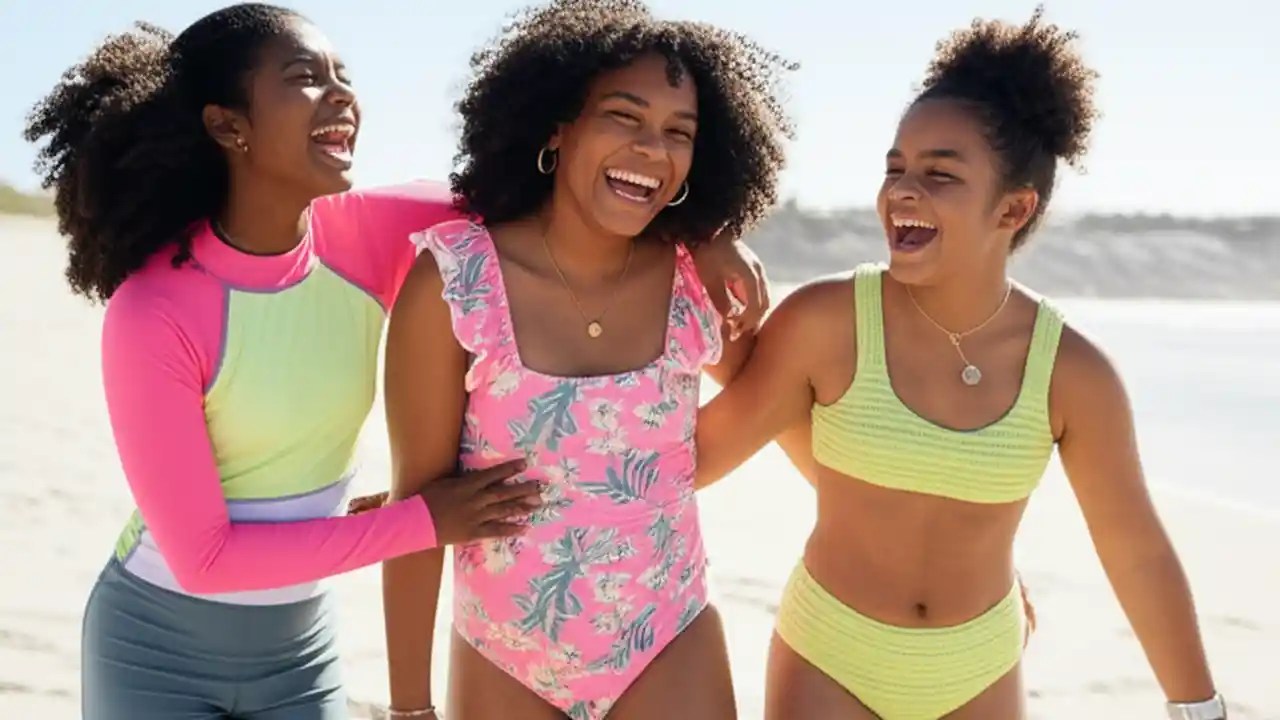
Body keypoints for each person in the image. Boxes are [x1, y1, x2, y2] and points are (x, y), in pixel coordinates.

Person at [25, 4, 767, 718]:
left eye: (343, 72)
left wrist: (706, 228)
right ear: (228, 126)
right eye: (303, 76)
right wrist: (421, 521)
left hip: (297, 649)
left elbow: (563, 193)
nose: (342, 92)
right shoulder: (153, 311)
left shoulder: (375, 231)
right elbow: (205, 559)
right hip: (156, 642)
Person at [695, 8, 1225, 720]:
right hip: (831, 655)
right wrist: (695, 241)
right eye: (896, 168)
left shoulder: (1072, 373)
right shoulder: (828, 322)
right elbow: (698, 453)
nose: (903, 191)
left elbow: (1135, 550)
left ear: (1013, 209)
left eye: (940, 174)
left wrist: (1199, 709)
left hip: (977, 667)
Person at [378, 1, 795, 718]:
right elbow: (415, 513)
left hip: (669, 637)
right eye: (623, 118)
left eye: (678, 133)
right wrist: (409, 709)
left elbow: (796, 397)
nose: (651, 150)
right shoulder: (455, 284)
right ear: (557, 125)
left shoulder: (696, 281)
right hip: (503, 653)